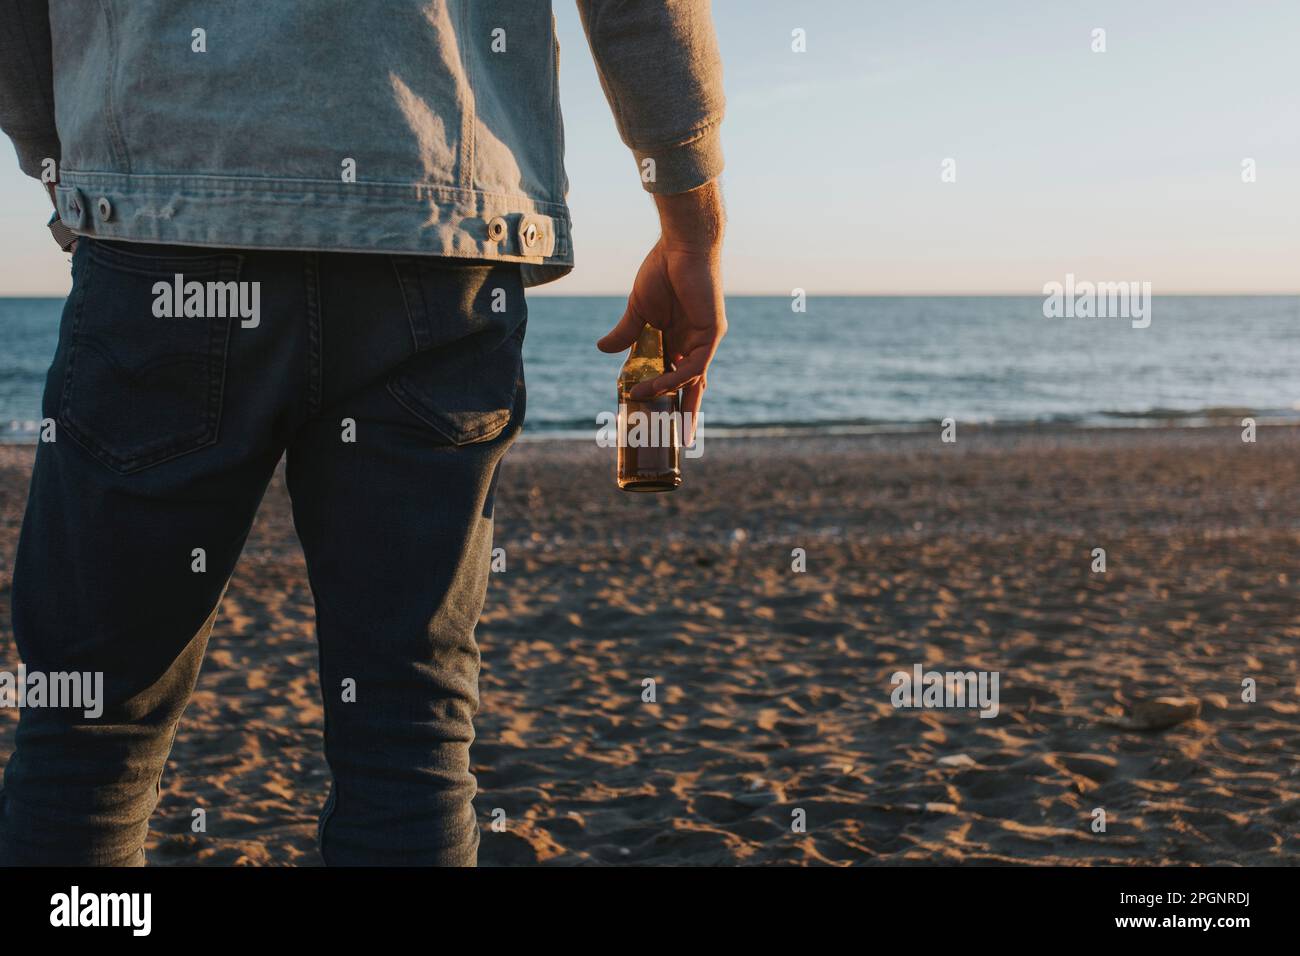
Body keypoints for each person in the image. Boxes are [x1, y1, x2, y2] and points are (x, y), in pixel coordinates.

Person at [0, 0, 727, 866]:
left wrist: (66, 168)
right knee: (408, 728)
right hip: (438, 226)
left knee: (92, 723)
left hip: (166, 216)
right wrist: (691, 216)